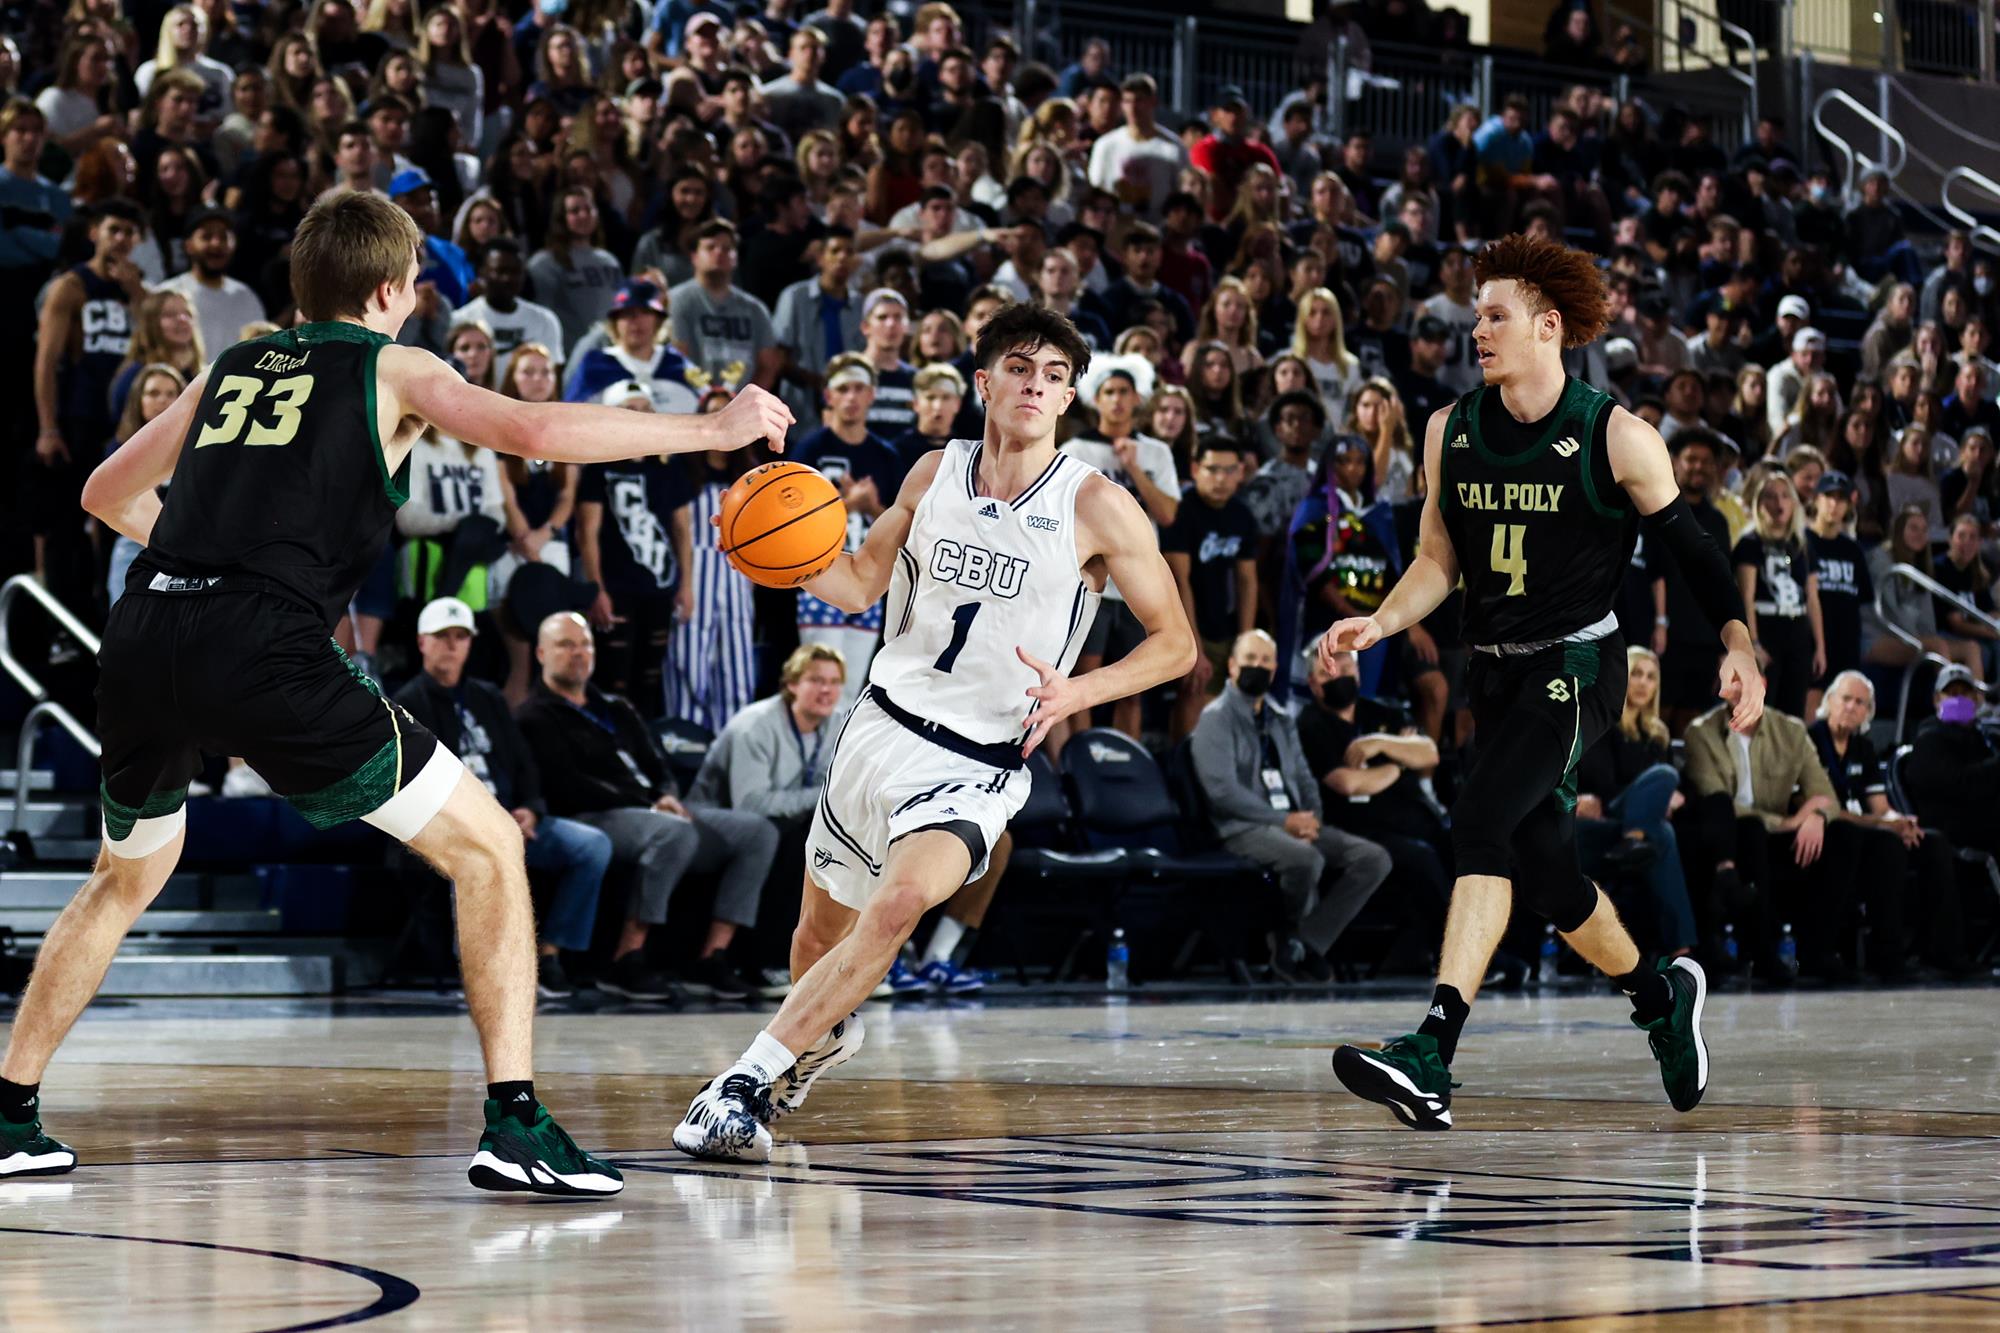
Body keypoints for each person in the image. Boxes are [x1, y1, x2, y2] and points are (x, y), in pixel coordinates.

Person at [1, 190, 795, 1191]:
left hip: (146, 630)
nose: (418, 297)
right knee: (490, 847)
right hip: (263, 644)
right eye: (415, 281)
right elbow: (533, 430)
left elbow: (102, 493)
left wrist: (208, 566)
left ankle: (9, 1115)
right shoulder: (395, 367)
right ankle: (515, 1123)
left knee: (122, 878)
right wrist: (709, 425)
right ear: (385, 290)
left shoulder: (230, 365)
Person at [671, 302, 1197, 1160]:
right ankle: (819, 1037)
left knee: (899, 904)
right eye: (1019, 369)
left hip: (979, 760)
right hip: (879, 727)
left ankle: (741, 1083)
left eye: (1055, 376)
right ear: (984, 383)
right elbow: (855, 583)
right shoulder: (931, 472)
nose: (1036, 386)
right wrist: (770, 546)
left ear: (1069, 398)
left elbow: (1176, 644)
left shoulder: (1099, 505)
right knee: (816, 941)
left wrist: (1079, 690)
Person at [1323, 234, 1761, 1131]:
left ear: (1548, 326)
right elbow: (1437, 561)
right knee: (1553, 878)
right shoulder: (1450, 430)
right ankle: (1660, 997)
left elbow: (1697, 554)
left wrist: (1739, 643)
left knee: (1479, 820)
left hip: (1578, 664)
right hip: (1493, 671)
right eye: (1475, 315)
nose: (1476, 330)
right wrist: (1380, 622)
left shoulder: (1617, 435)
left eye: (1495, 315)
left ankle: (1431, 1052)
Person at [517, 610, 777, 1002]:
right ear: (541, 653)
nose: (578, 653)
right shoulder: (535, 714)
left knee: (758, 832)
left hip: (652, 810)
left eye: (585, 644)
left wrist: (666, 794)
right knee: (673, 833)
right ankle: (626, 958)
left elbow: (659, 764)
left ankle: (712, 957)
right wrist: (649, 803)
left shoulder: (615, 706)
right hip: (593, 815)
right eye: (565, 645)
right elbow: (568, 785)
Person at [393, 597, 612, 999]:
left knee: (591, 846)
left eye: (461, 636)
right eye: (442, 636)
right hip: (451, 825)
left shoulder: (488, 697)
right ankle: (480, 973)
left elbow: (523, 761)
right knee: (478, 852)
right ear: (422, 642)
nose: (452, 645)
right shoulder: (406, 705)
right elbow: (413, 784)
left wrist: (530, 809)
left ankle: (550, 956)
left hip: (511, 819)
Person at [1192, 628, 1392, 980]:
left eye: (1265, 660)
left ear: (1275, 669)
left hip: (1292, 822)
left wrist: (1312, 820)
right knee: (1307, 859)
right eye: (1250, 659)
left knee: (1373, 859)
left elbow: (1304, 777)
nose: (1258, 666)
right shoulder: (1215, 718)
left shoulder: (1280, 718)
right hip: (1242, 826)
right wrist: (1283, 821)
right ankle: (1292, 949)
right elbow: (1222, 792)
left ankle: (1304, 943)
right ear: (1233, 666)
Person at [1809, 669, 1961, 978]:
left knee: (1931, 842)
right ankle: (1885, 956)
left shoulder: (1862, 747)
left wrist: (1900, 821)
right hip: (1828, 831)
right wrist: (1883, 825)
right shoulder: (1810, 741)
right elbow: (1823, 809)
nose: (1851, 707)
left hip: (1866, 830)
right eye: (1846, 699)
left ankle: (1944, 952)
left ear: (1868, 712)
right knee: (1883, 844)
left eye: (1860, 703)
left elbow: (1881, 807)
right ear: (1829, 701)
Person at [794, 353, 905, 711]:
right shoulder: (810, 449)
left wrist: (871, 508)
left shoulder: (887, 456)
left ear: (872, 395)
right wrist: (846, 505)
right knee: (819, 678)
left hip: (869, 576)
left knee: (851, 686)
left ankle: (835, 748)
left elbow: (904, 525)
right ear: (828, 395)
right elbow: (789, 524)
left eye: (859, 388)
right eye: (843, 389)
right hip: (820, 575)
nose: (852, 397)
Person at [1571, 645, 1697, 957]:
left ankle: (1634, 840)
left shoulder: (1658, 735)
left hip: (1629, 831)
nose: (1643, 683)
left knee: (1663, 830)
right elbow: (1605, 789)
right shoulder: (1601, 722)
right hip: (1596, 824)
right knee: (1664, 777)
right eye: (1637, 674)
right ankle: (1681, 952)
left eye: (1651, 677)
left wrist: (1664, 799)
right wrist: (1655, 796)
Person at [1164, 437, 1259, 738]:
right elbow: (1179, 580)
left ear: (1241, 472)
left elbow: (1247, 580)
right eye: (1212, 469)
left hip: (1225, 624)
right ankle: (1184, 763)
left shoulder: (1242, 515)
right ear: (1195, 469)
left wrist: (1245, 641)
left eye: (1229, 470)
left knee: (1225, 705)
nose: (1221, 479)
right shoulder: (1181, 510)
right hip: (1186, 622)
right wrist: (1193, 646)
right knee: (1193, 693)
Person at [1733, 469, 1825, 719]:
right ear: (1759, 503)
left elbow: (1813, 599)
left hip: (1798, 631)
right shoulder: (1749, 543)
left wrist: (1820, 646)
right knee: (1763, 709)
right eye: (1771, 496)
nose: (1779, 503)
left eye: (1785, 496)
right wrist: (1753, 643)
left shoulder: (1802, 544)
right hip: (1766, 629)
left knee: (1793, 712)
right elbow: (1746, 597)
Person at [1903, 663, 2000, 857]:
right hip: (1954, 826)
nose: (1959, 699)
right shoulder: (1929, 739)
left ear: (1976, 699)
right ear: (1937, 700)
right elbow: (1959, 784)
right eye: (1952, 693)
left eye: (1965, 694)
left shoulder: (1984, 736)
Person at [158, 204, 267, 363]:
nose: (216, 243)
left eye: (224, 237)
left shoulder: (247, 297)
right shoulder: (167, 293)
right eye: (206, 237)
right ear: (188, 245)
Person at [1805, 472, 1871, 718]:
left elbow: (1862, 599)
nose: (1834, 504)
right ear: (1816, 499)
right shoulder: (1802, 542)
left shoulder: (1853, 550)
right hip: (1811, 642)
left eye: (1841, 498)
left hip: (1846, 644)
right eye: (1828, 496)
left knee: (1842, 717)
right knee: (1810, 716)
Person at [455, 238, 566, 380]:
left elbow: (554, 378)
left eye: (515, 272)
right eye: (500, 271)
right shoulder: (460, 321)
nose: (507, 278)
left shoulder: (545, 321)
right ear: (482, 273)